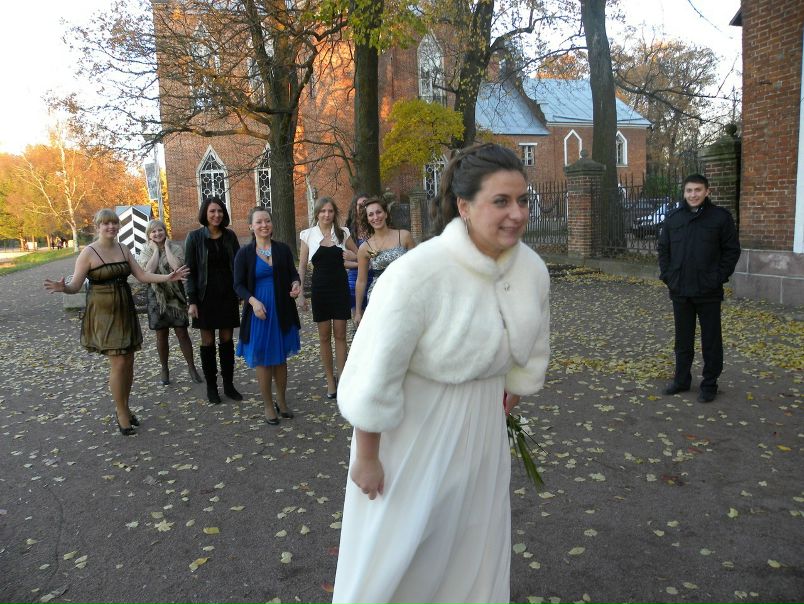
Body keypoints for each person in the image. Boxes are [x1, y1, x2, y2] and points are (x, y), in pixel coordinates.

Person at [332, 143, 551, 604]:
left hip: (484, 433)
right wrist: (367, 456)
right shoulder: (417, 274)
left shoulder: (531, 270)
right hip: (417, 433)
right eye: (501, 201)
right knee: (404, 548)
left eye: (522, 200)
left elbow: (528, 345)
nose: (516, 213)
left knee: (474, 543)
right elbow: (375, 373)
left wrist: (511, 389)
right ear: (464, 206)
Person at [44, 209, 189, 435]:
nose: (111, 227)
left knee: (128, 361)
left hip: (124, 309)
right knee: (119, 362)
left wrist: (168, 277)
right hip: (103, 312)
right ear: (97, 227)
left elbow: (142, 275)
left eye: (114, 223)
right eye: (106, 223)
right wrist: (64, 288)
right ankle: (121, 412)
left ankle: (126, 407)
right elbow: (76, 286)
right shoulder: (88, 253)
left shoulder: (123, 249)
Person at [658, 173, 741, 403]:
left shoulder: (720, 218)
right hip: (680, 290)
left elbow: (732, 251)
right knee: (682, 340)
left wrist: (717, 277)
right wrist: (668, 277)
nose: (693, 194)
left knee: (711, 341)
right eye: (689, 190)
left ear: (707, 192)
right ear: (684, 192)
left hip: (708, 291)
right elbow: (663, 250)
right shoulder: (673, 218)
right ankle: (681, 380)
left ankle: (709, 384)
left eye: (697, 190)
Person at [233, 207, 302, 425]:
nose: (264, 225)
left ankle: (281, 400)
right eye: (259, 222)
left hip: (282, 309)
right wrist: (253, 302)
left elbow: (293, 273)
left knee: (280, 359)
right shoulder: (244, 254)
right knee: (263, 359)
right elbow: (238, 285)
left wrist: (296, 284)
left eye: (267, 221)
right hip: (259, 312)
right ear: (251, 227)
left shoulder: (282, 249)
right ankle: (268, 405)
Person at [297, 197, 359, 399]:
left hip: (340, 288)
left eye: (330, 211)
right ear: (317, 213)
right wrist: (300, 294)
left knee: (340, 334)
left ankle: (343, 378)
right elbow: (302, 265)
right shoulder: (308, 235)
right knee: (324, 336)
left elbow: (361, 256)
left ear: (334, 213)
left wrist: (353, 257)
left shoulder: (343, 233)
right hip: (320, 291)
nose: (326, 214)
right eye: (323, 211)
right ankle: (330, 380)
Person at [184, 197, 243, 404]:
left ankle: (229, 385)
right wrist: (192, 300)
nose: (216, 215)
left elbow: (239, 265)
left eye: (219, 211)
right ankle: (211, 387)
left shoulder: (230, 236)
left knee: (226, 341)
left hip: (227, 295)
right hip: (204, 297)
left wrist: (242, 291)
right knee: (207, 342)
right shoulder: (194, 237)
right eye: (212, 211)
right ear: (205, 214)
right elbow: (189, 271)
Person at [138, 219, 203, 385]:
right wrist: (155, 250)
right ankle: (164, 369)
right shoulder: (145, 250)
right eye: (153, 231)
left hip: (176, 295)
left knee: (182, 332)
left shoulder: (175, 248)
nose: (157, 234)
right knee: (161, 335)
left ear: (165, 231)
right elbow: (148, 271)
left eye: (160, 230)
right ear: (148, 235)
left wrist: (166, 248)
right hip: (156, 296)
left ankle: (192, 368)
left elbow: (177, 268)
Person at [353, 196, 415, 326]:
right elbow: (361, 280)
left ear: (386, 214)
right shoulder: (365, 248)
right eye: (371, 214)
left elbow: (417, 268)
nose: (375, 217)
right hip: (379, 296)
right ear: (367, 219)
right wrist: (358, 311)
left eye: (379, 212)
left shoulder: (404, 236)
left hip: (405, 293)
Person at [344, 193, 372, 318]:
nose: (363, 208)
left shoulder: (375, 228)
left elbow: (379, 254)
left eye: (366, 205)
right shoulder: (347, 232)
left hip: (375, 278)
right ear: (354, 208)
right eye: (360, 205)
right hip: (354, 280)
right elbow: (343, 261)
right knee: (358, 320)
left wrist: (356, 256)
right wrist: (362, 263)